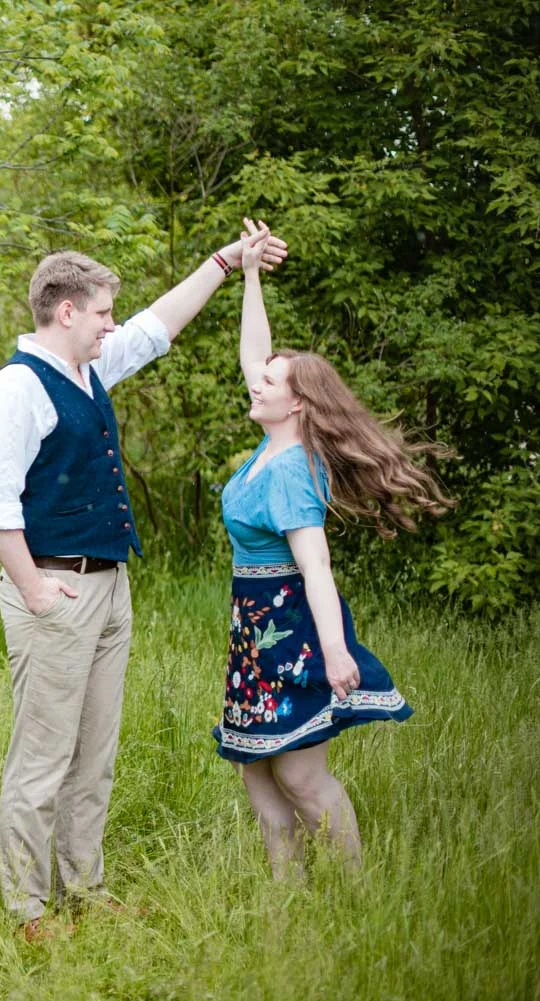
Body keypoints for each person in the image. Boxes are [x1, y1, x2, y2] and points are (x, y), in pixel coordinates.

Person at [0, 229, 288, 942]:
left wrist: (223, 264)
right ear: (67, 312)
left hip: (108, 587)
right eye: (104, 312)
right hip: (54, 588)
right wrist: (35, 590)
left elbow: (156, 328)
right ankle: (28, 910)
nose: (114, 322)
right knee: (43, 757)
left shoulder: (86, 370)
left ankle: (84, 887)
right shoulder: (19, 387)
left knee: (95, 753)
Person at [215, 219, 451, 877]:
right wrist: (252, 274)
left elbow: (316, 566)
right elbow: (253, 352)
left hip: (291, 630)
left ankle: (358, 891)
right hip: (254, 630)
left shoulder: (292, 473)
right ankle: (285, 909)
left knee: (299, 773)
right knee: (258, 773)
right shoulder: (274, 445)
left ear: (295, 405)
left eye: (271, 381)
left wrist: (337, 650)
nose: (257, 382)